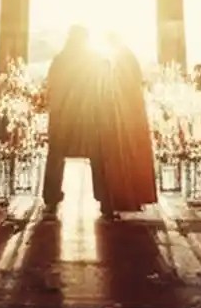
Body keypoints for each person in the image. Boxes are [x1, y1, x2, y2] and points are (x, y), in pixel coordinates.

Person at [42, 25, 109, 216]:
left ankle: (51, 196)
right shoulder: (93, 59)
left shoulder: (60, 60)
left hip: (63, 115)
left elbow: (51, 87)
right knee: (97, 155)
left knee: (56, 155)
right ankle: (104, 197)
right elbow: (101, 86)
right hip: (89, 115)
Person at [98, 32, 158, 216]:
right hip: (131, 111)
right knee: (132, 153)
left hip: (123, 113)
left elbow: (118, 85)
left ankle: (126, 198)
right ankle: (132, 198)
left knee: (124, 154)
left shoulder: (121, 58)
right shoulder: (125, 56)